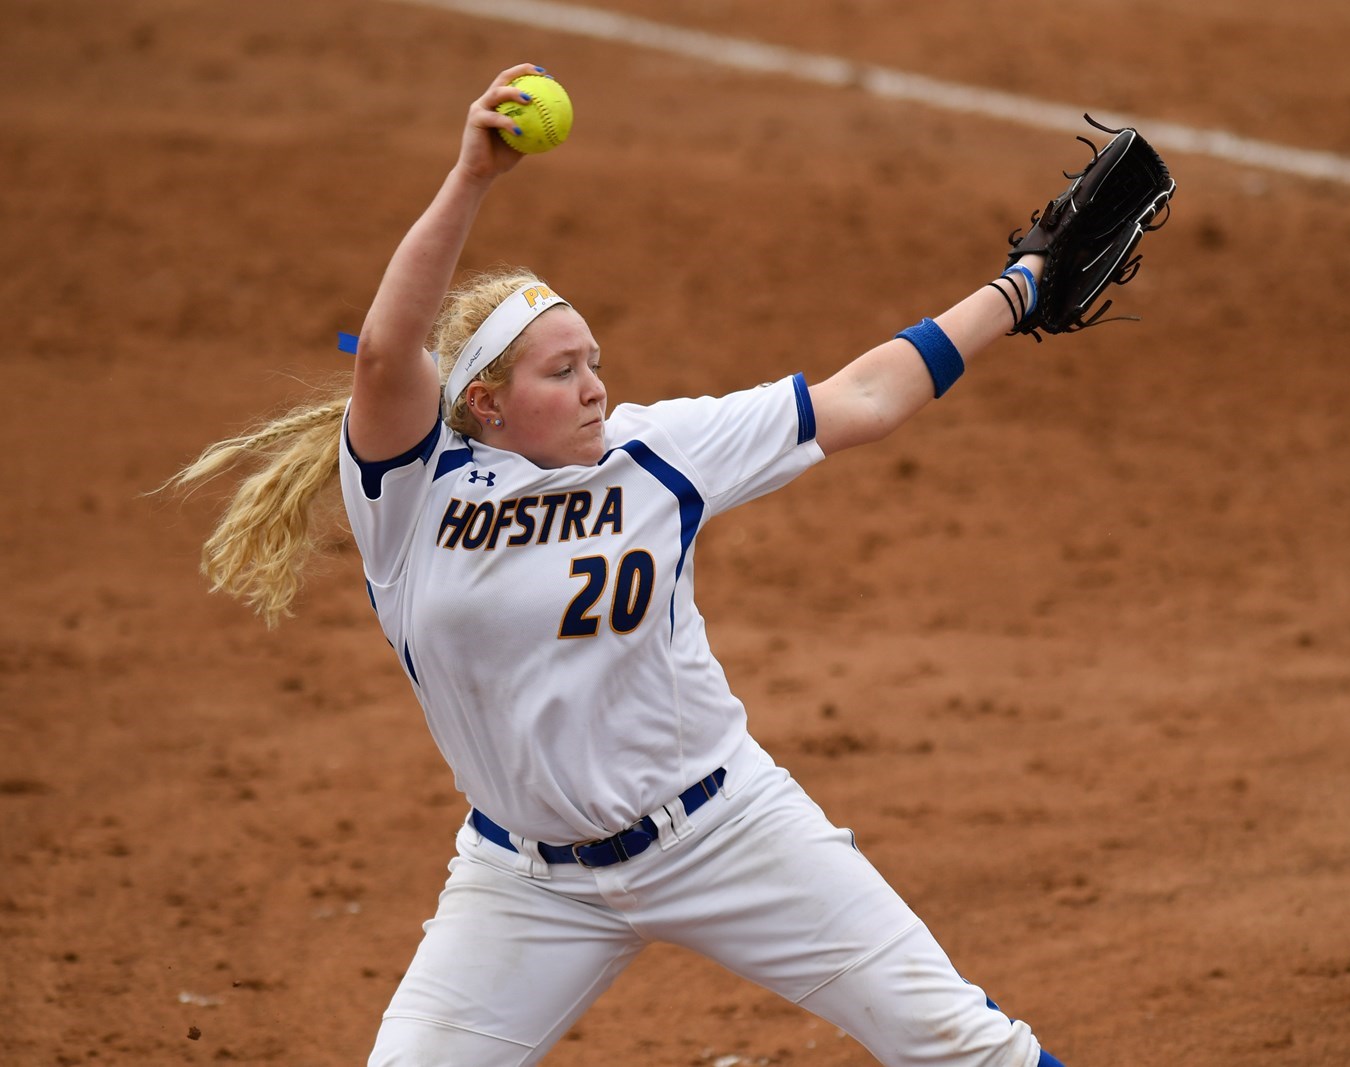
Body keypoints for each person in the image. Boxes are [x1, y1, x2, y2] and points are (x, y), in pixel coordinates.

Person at [176, 64, 1066, 1067]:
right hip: (525, 882)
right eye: (563, 372)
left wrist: (1018, 287)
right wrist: (472, 177)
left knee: (961, 1044)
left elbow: (861, 396)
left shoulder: (659, 453)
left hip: (725, 828)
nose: (598, 388)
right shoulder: (410, 496)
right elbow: (385, 354)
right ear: (486, 405)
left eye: (595, 360)